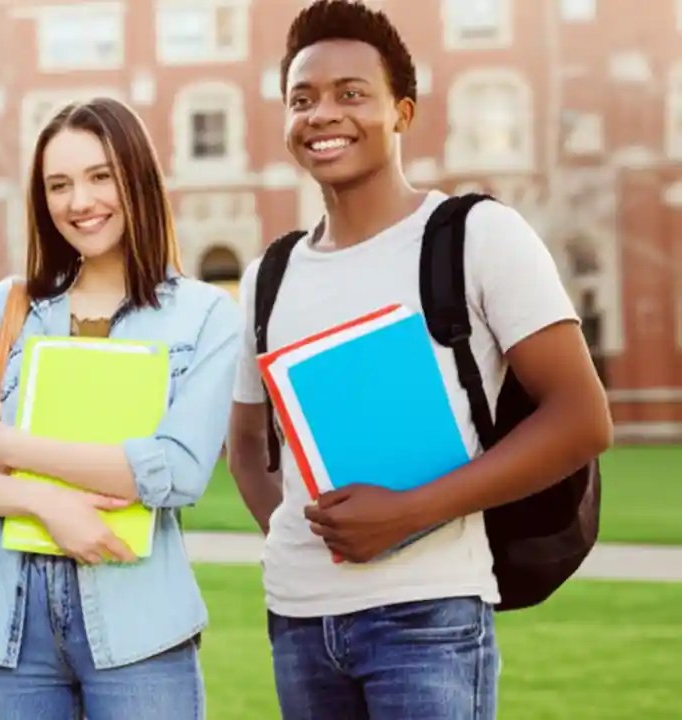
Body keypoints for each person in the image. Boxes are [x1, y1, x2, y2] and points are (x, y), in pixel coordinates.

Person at [227, 2, 613, 718]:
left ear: (402, 111)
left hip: (428, 618)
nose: (322, 114)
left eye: (352, 94)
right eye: (301, 99)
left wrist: (407, 514)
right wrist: (297, 537)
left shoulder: (477, 236)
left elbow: (582, 419)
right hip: (296, 623)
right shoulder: (269, 275)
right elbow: (248, 443)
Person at [0, 96, 240, 719]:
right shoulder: (7, 309)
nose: (79, 202)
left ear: (137, 179)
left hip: (139, 623)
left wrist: (15, 450)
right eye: (58, 185)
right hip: (4, 631)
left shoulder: (204, 316)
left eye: (100, 177)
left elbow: (175, 470)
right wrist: (47, 503)